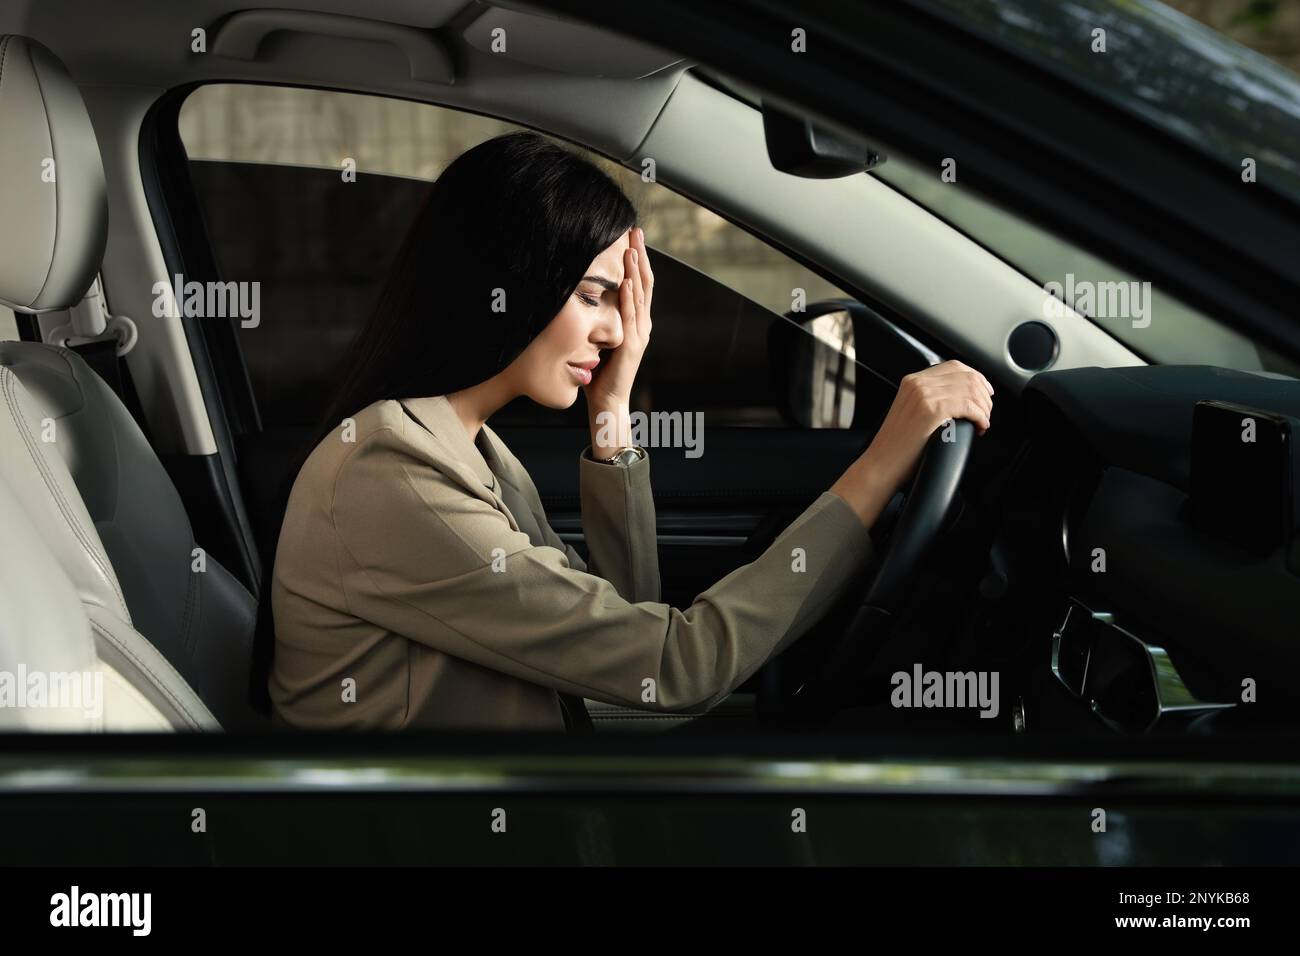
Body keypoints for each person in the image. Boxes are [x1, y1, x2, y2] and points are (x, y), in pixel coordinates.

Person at [268, 130, 993, 731]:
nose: (617, 329)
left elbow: (622, 636)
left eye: (620, 303)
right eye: (593, 297)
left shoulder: (470, 446)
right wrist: (883, 460)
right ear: (505, 285)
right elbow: (673, 668)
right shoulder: (394, 473)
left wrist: (612, 415)